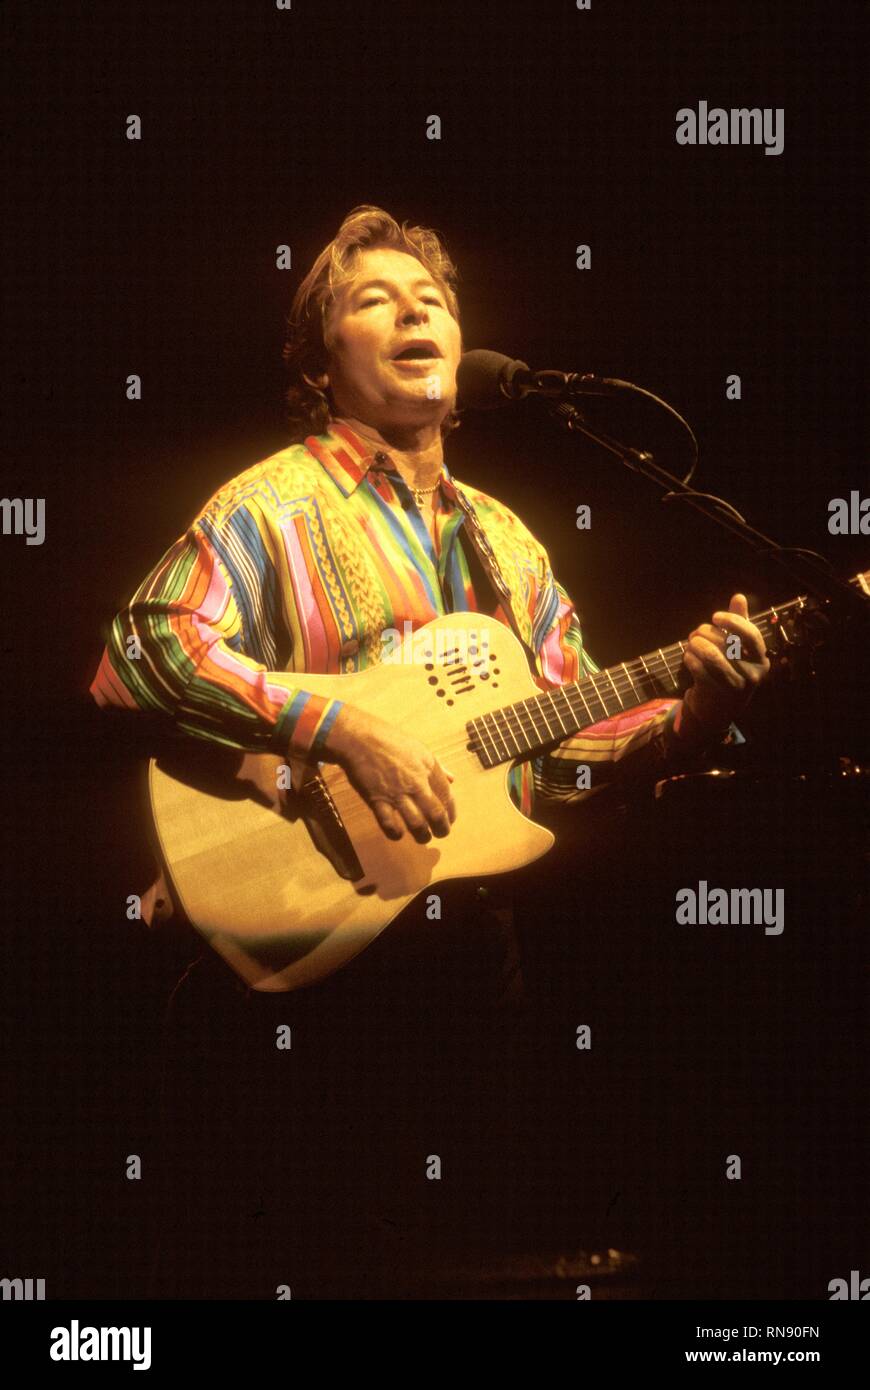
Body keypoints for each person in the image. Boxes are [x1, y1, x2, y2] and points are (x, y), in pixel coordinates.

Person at [89, 205, 771, 1297]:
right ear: (320, 359)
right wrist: (341, 729)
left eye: (436, 299)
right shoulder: (271, 505)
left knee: (453, 1257)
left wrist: (684, 714)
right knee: (303, 1252)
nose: (415, 310)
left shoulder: (508, 542)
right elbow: (137, 653)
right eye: (375, 298)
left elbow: (560, 756)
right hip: (294, 926)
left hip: (464, 951)